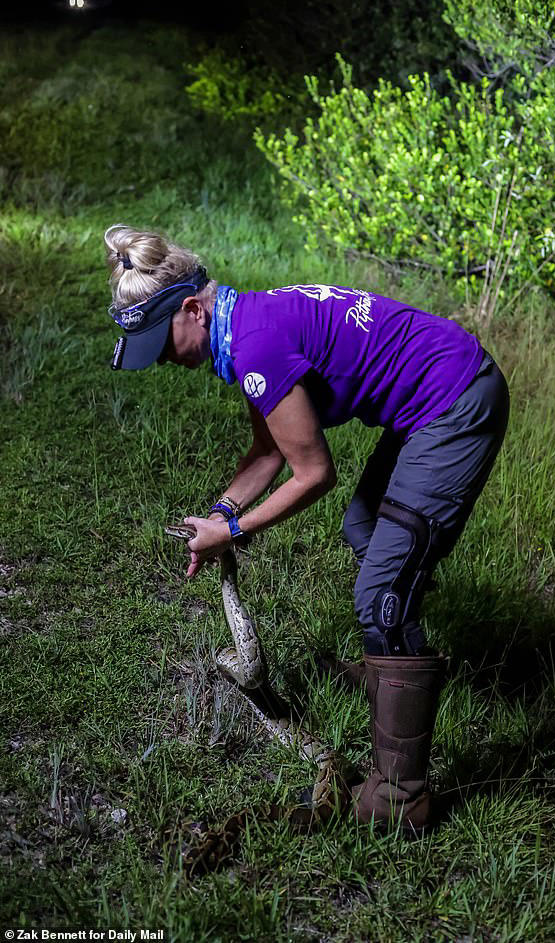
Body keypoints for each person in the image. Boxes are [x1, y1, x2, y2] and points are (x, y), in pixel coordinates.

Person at [105, 223, 510, 832]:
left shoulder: (256, 344)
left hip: (454, 401)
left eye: (161, 344)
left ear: (191, 308)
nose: (163, 361)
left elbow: (313, 472)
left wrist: (235, 536)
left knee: (380, 592)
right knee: (366, 527)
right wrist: (221, 513)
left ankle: (402, 799)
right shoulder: (242, 327)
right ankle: (391, 662)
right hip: (435, 394)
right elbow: (268, 452)